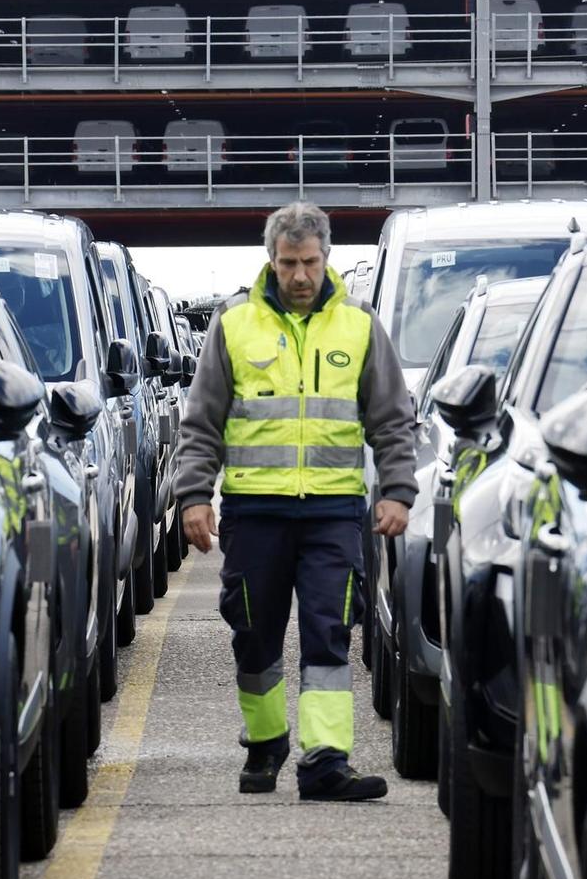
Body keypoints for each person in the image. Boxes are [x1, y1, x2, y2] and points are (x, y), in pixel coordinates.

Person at [175, 203, 418, 801]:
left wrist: (398, 489)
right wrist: (193, 495)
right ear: (271, 260)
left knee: (329, 630)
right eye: (289, 264)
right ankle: (265, 743)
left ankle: (326, 761)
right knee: (254, 633)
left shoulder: (359, 324)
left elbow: (392, 418)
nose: (301, 276)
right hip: (255, 511)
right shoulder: (234, 323)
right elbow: (202, 421)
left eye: (310, 262)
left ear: (326, 257)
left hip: (333, 512)